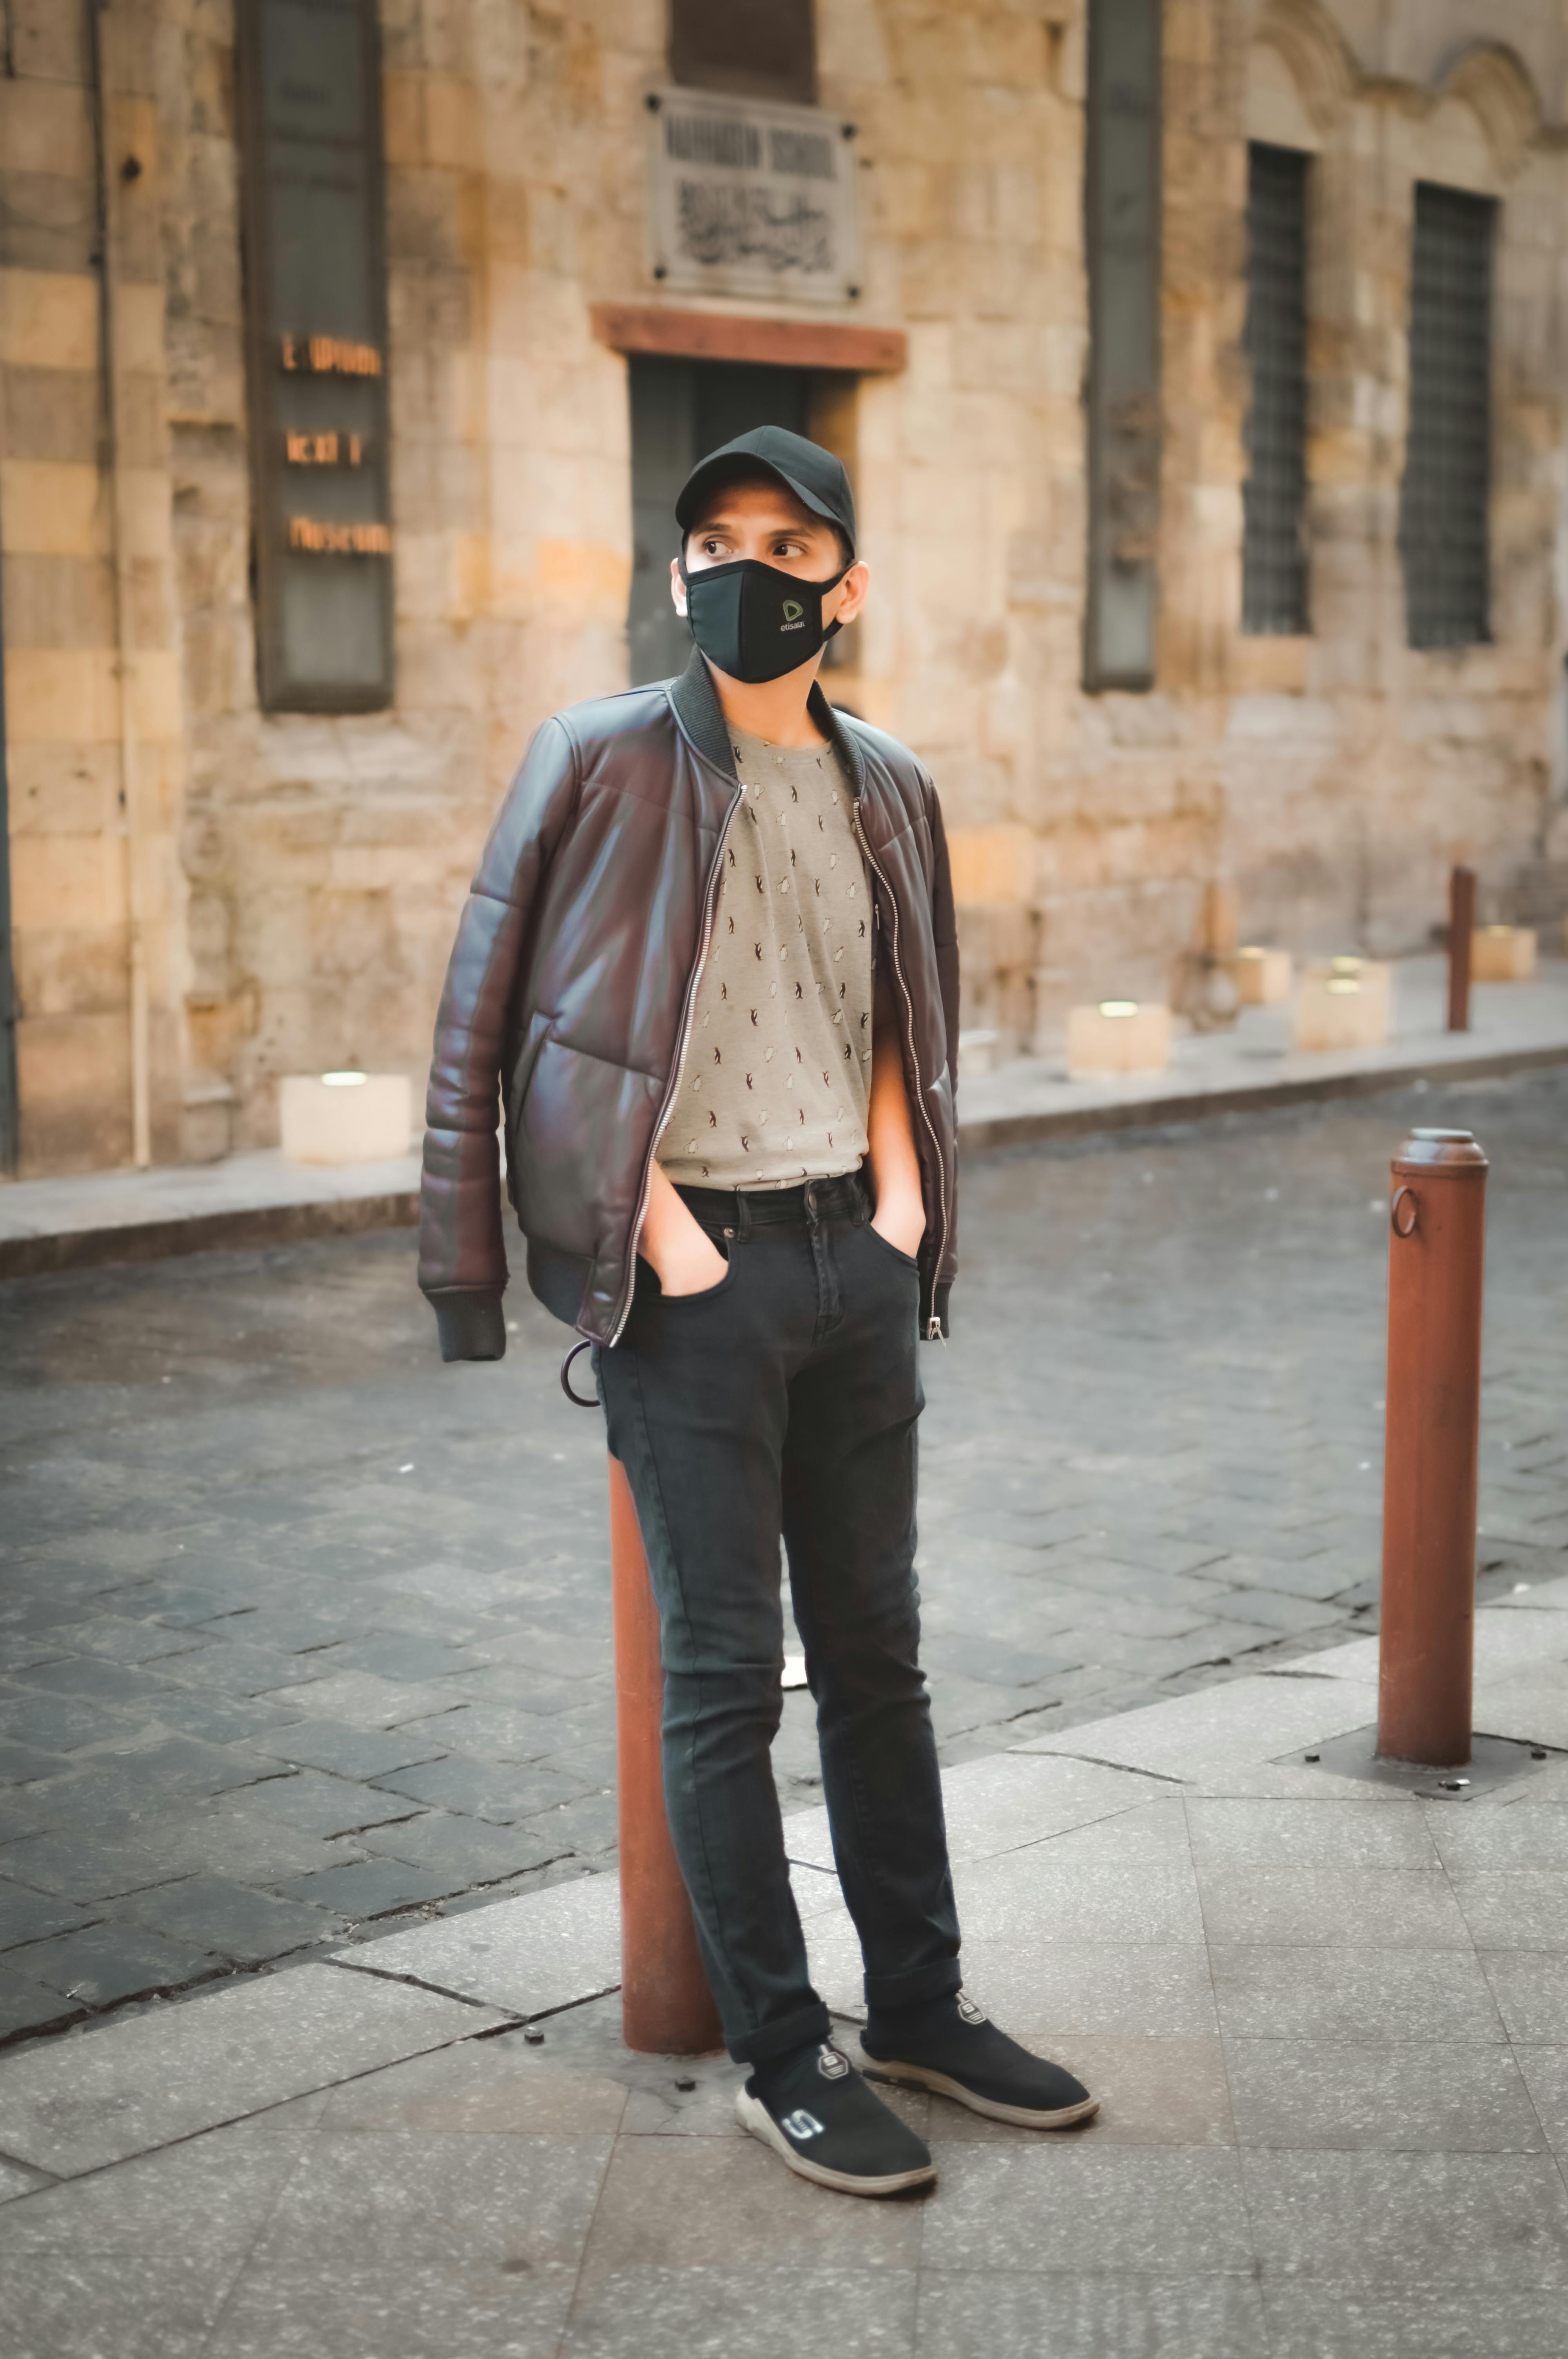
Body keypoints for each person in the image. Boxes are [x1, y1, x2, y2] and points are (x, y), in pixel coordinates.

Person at [418, 425, 1096, 2195]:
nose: (748, 570)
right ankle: (781, 2051)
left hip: (850, 1264)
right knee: (727, 1680)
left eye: (787, 547)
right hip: (687, 1277)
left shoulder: (889, 781)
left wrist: (896, 1207)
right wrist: (632, 1235)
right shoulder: (597, 760)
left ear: (844, 587)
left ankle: (923, 2007)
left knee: (879, 1659)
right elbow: (491, 1014)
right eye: (715, 541)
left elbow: (904, 1012)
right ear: (672, 579)